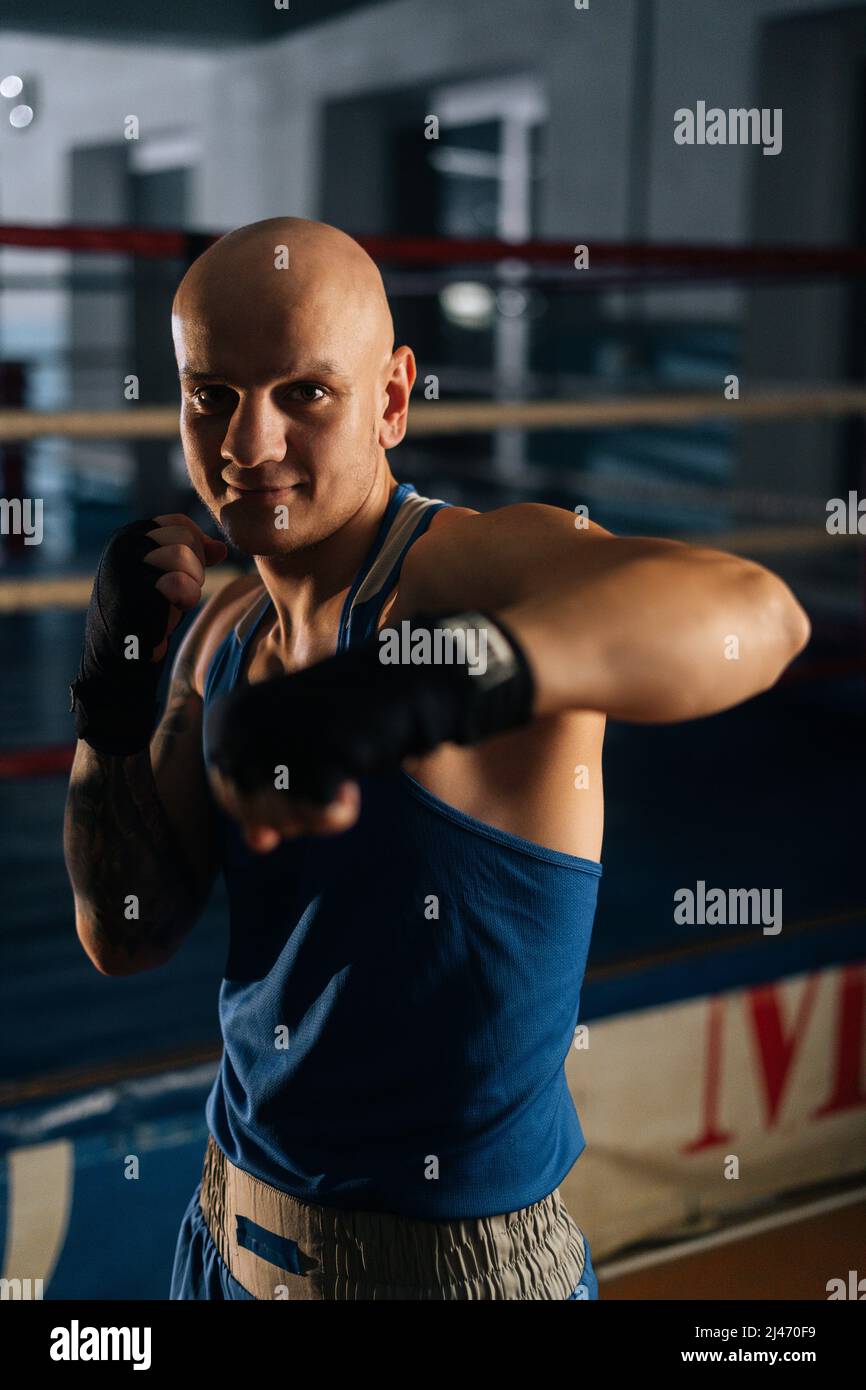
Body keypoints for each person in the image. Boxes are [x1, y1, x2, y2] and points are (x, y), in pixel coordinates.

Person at [63, 217, 810, 1300]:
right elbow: (124, 932)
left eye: (303, 393)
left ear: (393, 400)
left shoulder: (458, 575)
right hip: (225, 1235)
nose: (245, 446)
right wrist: (110, 701)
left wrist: (445, 674)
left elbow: (761, 618)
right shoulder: (223, 631)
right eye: (211, 394)